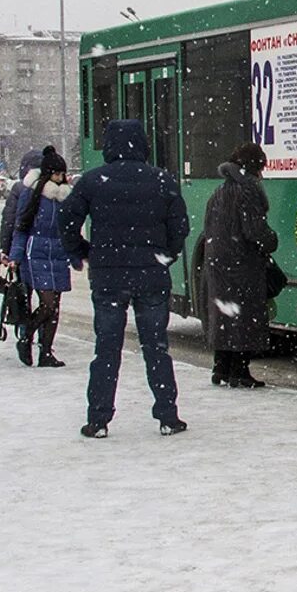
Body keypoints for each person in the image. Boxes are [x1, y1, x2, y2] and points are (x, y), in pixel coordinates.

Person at [60, 120, 190, 438]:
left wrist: (84, 251)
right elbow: (180, 227)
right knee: (156, 346)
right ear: (143, 144)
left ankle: (99, 418)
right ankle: (167, 415)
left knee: (107, 348)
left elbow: (66, 220)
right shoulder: (162, 180)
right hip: (151, 276)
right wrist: (163, 255)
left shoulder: (93, 181)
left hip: (108, 277)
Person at [195, 143, 278, 389]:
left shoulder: (219, 192)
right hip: (242, 266)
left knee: (225, 317)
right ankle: (240, 371)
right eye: (260, 168)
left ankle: (221, 367)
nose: (262, 175)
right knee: (244, 318)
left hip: (218, 266)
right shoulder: (247, 192)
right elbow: (255, 231)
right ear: (253, 168)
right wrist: (271, 240)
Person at [7, 146, 77, 368]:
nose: (59, 178)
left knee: (54, 307)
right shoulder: (32, 193)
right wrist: (15, 257)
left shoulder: (66, 197)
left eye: (62, 174)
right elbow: (21, 227)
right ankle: (27, 335)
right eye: (56, 173)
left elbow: (71, 230)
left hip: (58, 255)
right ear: (47, 173)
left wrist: (75, 255)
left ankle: (46, 351)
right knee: (47, 304)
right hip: (35, 254)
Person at [0, 149, 44, 254]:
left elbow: (9, 220)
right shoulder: (55, 189)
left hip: (23, 248)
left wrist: (5, 249)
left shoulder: (20, 188)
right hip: (51, 250)